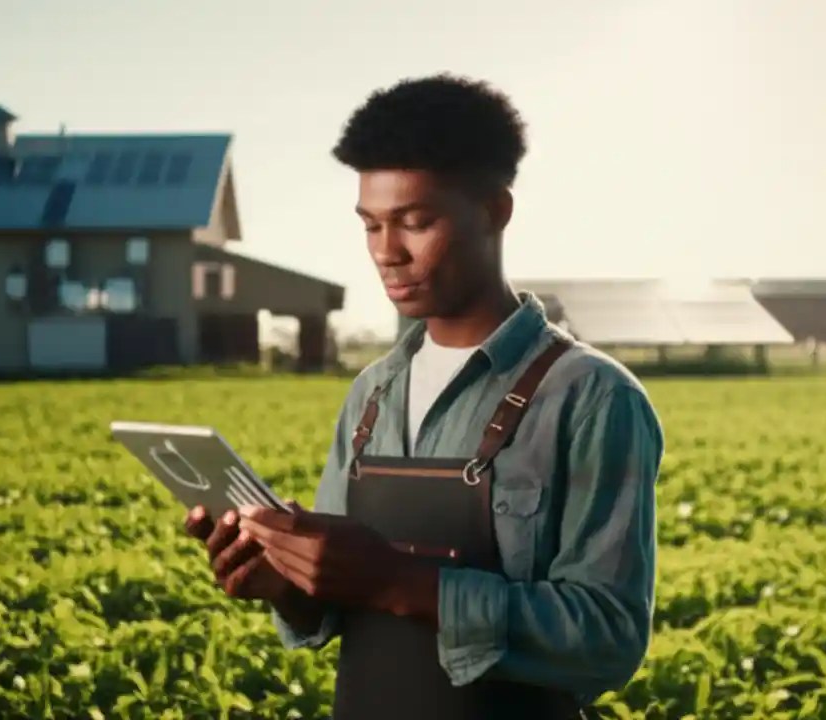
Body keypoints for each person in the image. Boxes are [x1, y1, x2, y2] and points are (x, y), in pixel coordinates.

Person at [184, 73, 663, 720]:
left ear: (495, 211)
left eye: (415, 222)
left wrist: (397, 581)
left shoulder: (591, 397)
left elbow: (608, 641)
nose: (388, 253)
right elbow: (336, 605)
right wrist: (286, 584)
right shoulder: (372, 393)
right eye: (371, 225)